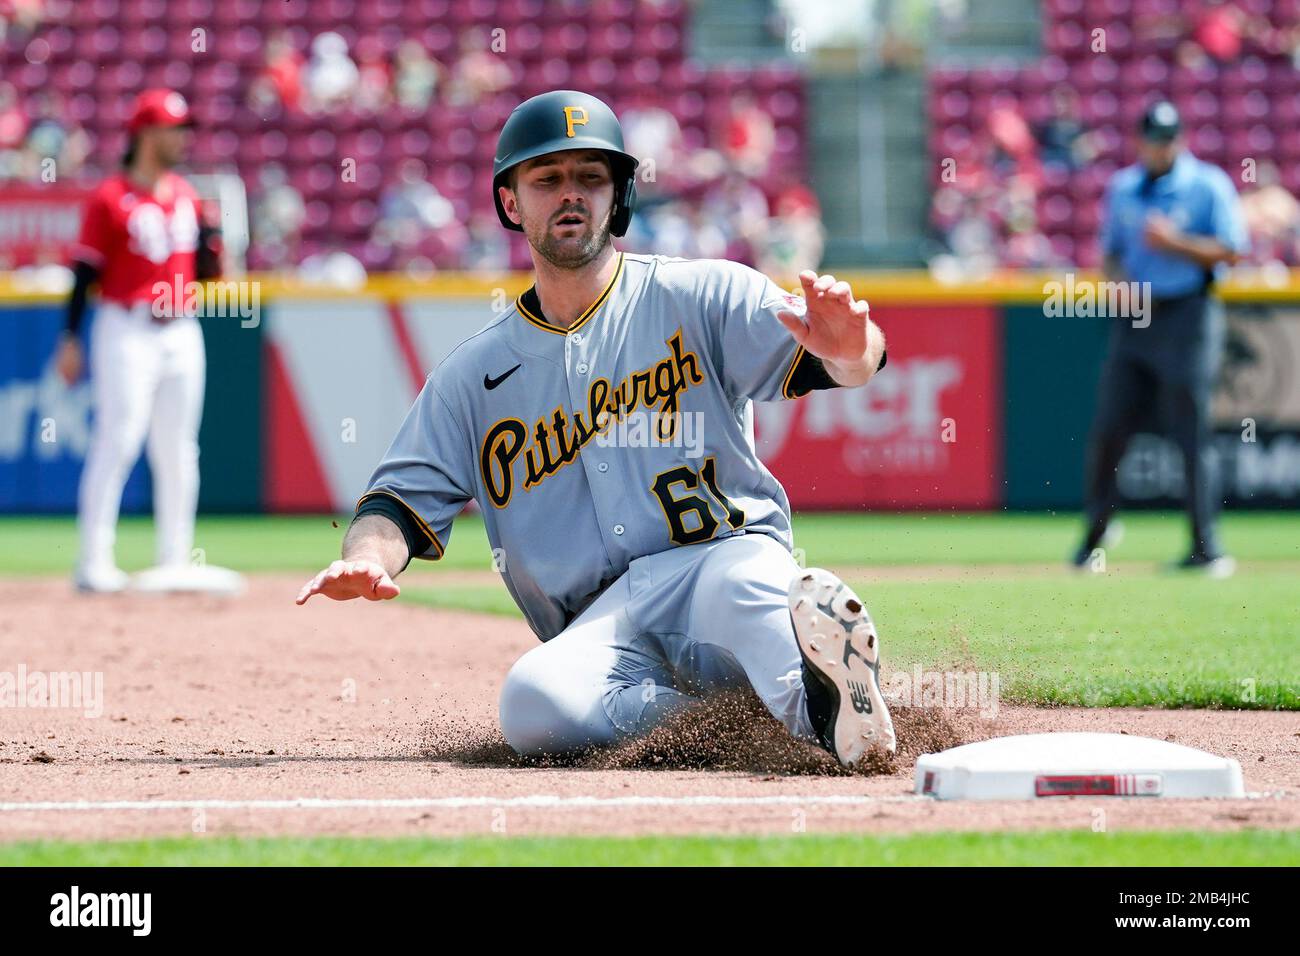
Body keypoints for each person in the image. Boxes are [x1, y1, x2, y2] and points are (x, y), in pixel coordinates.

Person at [296, 91, 895, 766]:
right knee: (532, 701)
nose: (570, 195)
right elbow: (397, 504)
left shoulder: (701, 294)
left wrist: (852, 347)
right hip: (603, 629)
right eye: (547, 179)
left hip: (718, 565)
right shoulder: (474, 376)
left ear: (619, 198)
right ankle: (727, 727)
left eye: (590, 177)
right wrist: (369, 558)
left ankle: (824, 713)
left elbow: (843, 359)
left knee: (753, 586)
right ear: (511, 203)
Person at [54, 89, 228, 593]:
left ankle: (175, 558)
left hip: (180, 327)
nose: (182, 138)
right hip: (126, 325)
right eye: (173, 128)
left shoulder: (188, 195)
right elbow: (84, 271)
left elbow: (208, 275)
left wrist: (214, 246)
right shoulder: (111, 196)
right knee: (119, 439)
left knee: (178, 449)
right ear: (146, 133)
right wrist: (70, 338)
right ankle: (93, 562)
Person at [1073, 101, 1248, 577]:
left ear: (1180, 139)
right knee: (1110, 426)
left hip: (1189, 313)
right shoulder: (1123, 188)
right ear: (1140, 140)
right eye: (1152, 137)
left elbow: (1231, 250)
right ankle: (1094, 537)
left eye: (1167, 137)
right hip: (1137, 313)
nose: (1159, 146)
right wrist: (1117, 280)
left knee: (1190, 428)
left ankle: (1206, 546)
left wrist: (1175, 242)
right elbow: (1110, 253)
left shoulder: (1207, 184)